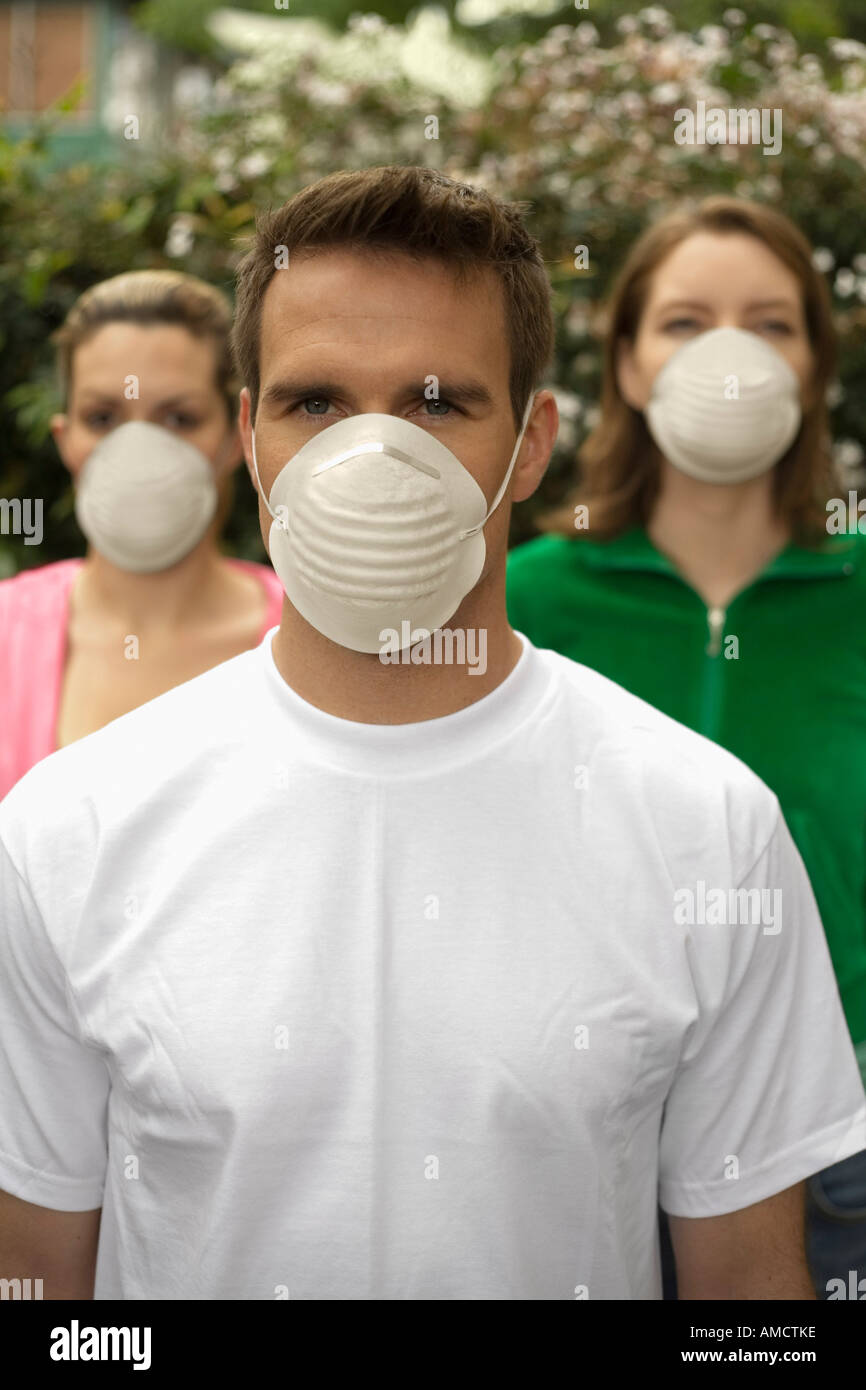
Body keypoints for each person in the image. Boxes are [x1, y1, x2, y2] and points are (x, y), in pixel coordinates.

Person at [0, 167, 864, 1301]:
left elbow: (750, 1297)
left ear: (531, 442)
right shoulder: (70, 830)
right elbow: (35, 1287)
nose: (372, 457)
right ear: (251, 438)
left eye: (435, 402)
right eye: (316, 403)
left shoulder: (706, 827)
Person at [506, 195, 866, 1298]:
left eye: (767, 324)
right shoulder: (516, 597)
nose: (727, 354)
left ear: (810, 366)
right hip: (569, 1136)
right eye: (683, 321)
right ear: (621, 363)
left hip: (837, 1147)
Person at [0, 270, 284, 799]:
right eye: (103, 417)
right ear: (66, 440)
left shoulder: (313, 636)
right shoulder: (6, 634)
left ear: (233, 437)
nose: (138, 449)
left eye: (177, 417)